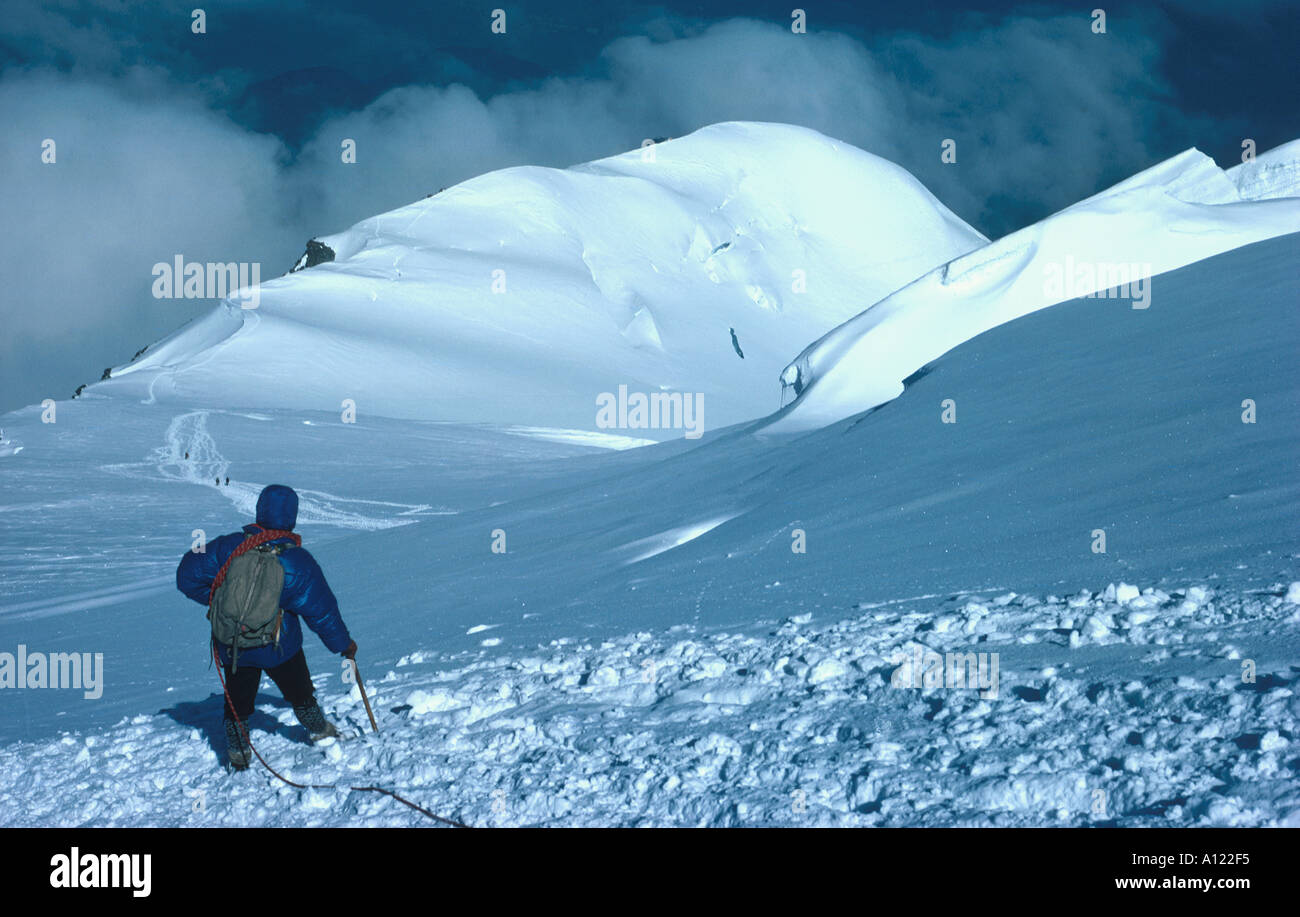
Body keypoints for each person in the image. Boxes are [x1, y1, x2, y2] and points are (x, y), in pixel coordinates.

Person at [176, 484, 356, 770]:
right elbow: (322, 612)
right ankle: (319, 729)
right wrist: (343, 645)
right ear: (292, 517)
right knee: (300, 692)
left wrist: (221, 603)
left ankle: (237, 750)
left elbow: (186, 576)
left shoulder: (229, 546)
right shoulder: (298, 561)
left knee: (237, 700)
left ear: (259, 511)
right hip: (279, 646)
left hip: (234, 643)